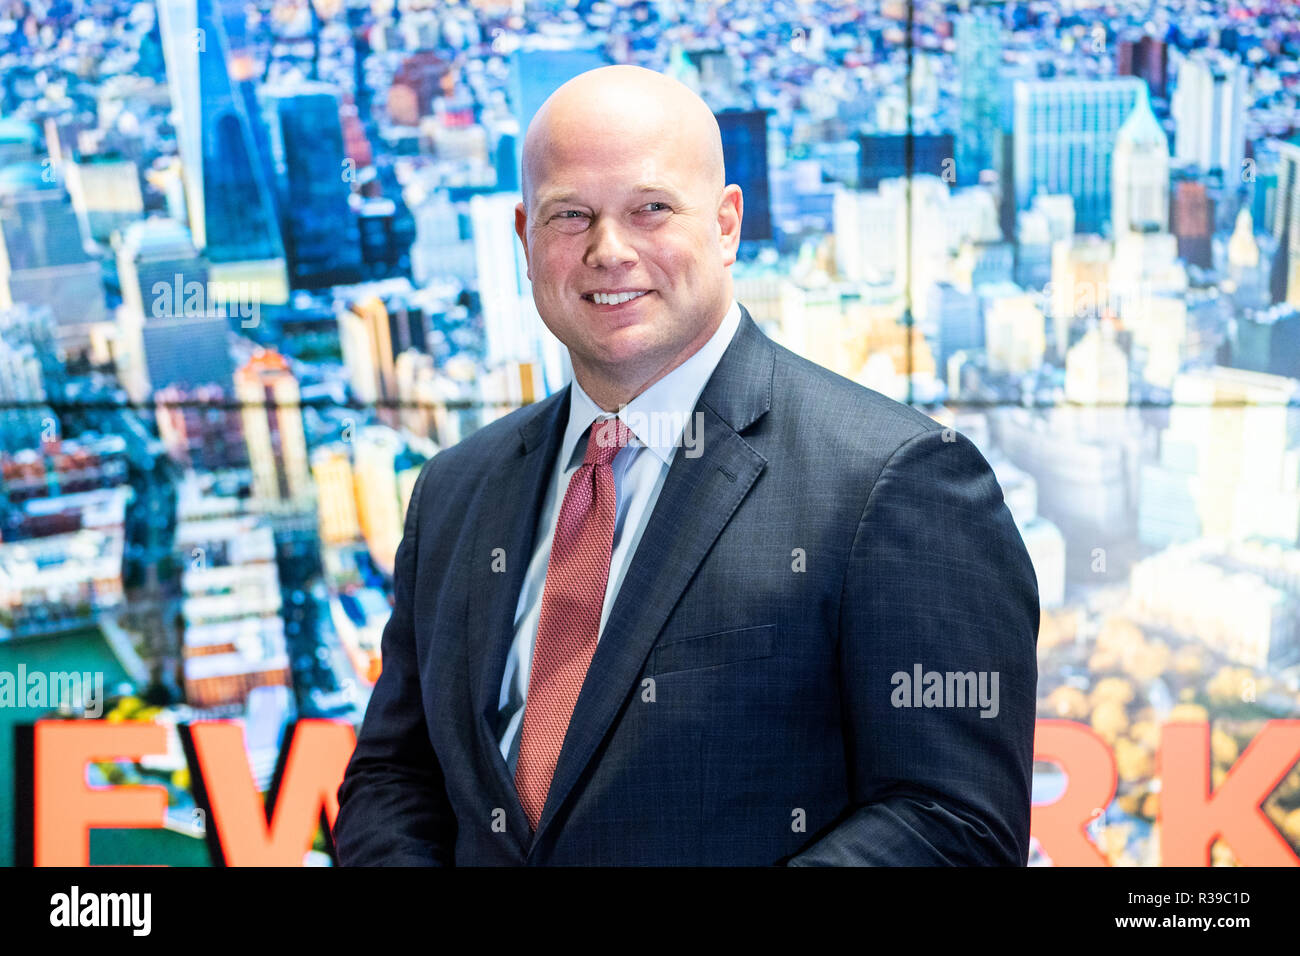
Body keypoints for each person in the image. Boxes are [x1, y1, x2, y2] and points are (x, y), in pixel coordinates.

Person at [332, 64, 1040, 866]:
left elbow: (951, 826)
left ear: (728, 224)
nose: (609, 251)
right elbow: (394, 776)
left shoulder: (900, 482)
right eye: (572, 216)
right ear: (525, 239)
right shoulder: (454, 492)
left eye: (651, 209)